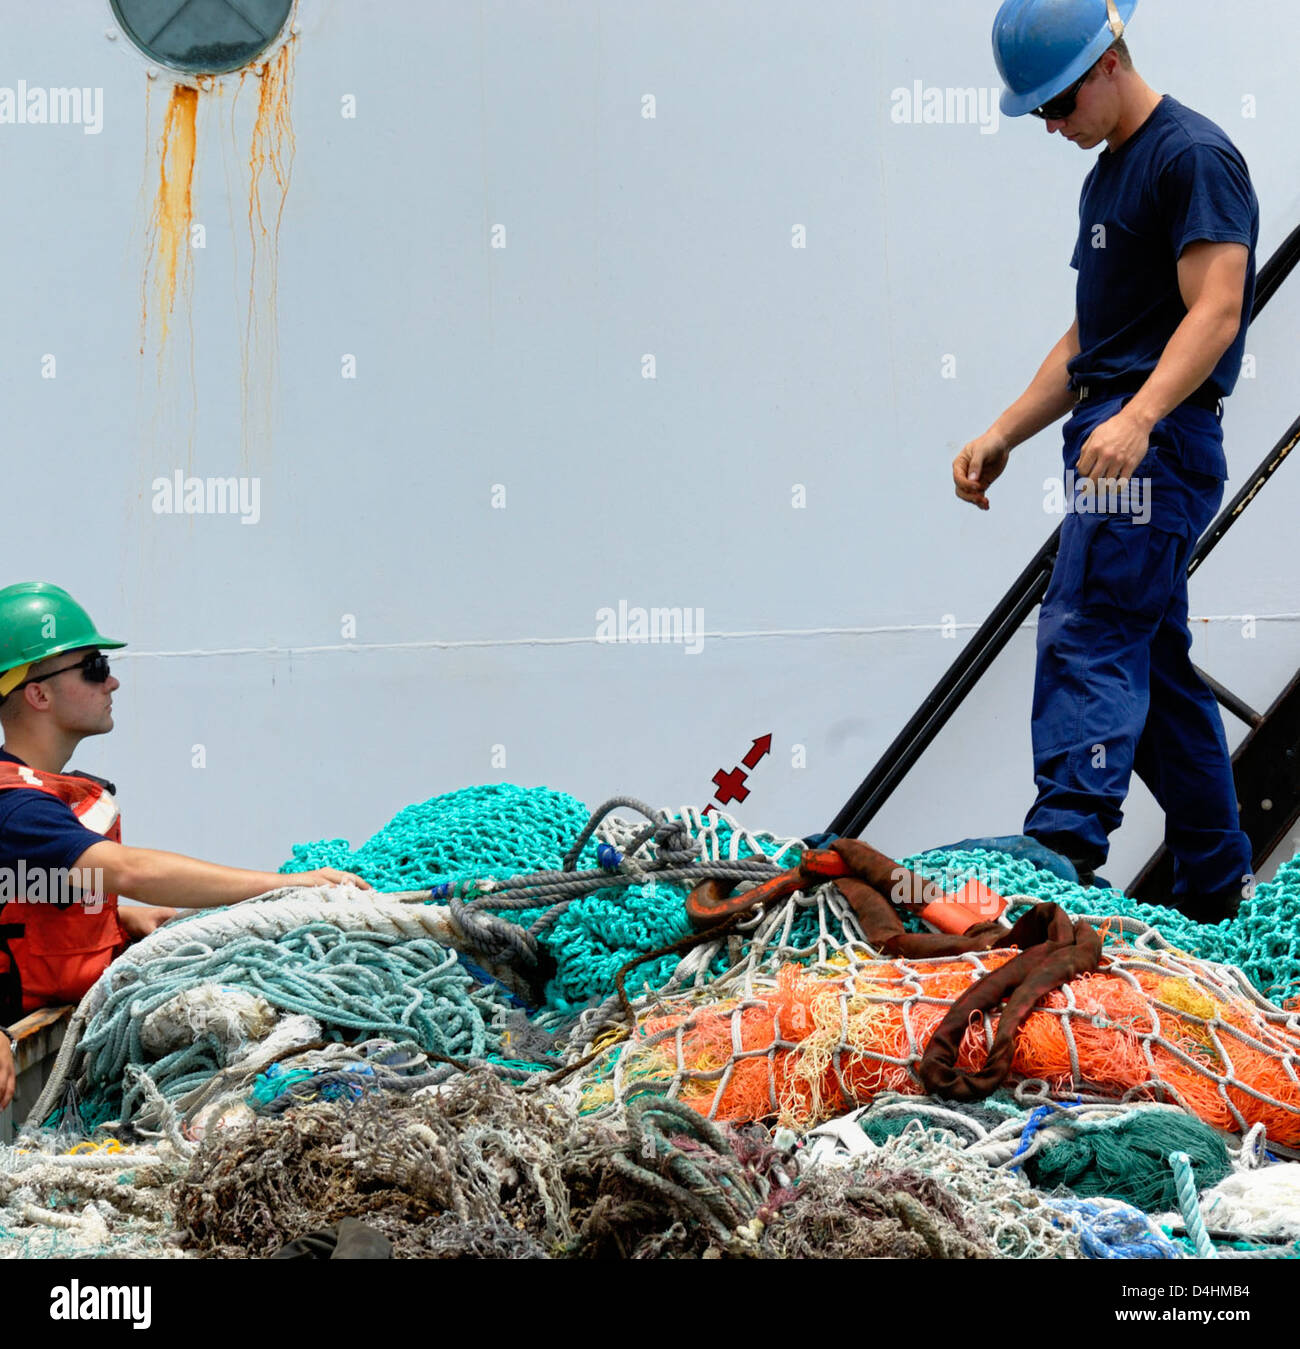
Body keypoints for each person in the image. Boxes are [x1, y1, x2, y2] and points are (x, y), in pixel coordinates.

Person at [952, 0, 1258, 922]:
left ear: (1109, 62)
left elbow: (1217, 307)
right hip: (1121, 439)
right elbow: (1096, 331)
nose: (1051, 126)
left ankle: (1064, 842)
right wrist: (1003, 429)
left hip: (1148, 448)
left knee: (1089, 622)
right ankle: (1218, 887)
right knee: (1156, 668)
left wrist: (1140, 417)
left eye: (1055, 104)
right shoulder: (1113, 174)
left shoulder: (1190, 156)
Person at [0, 581, 369, 1109]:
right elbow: (126, 869)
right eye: (94, 667)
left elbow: (29, 895)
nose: (114, 682)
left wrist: (118, 921)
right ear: (37, 694)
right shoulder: (18, 805)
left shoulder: (44, 797)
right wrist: (288, 885)